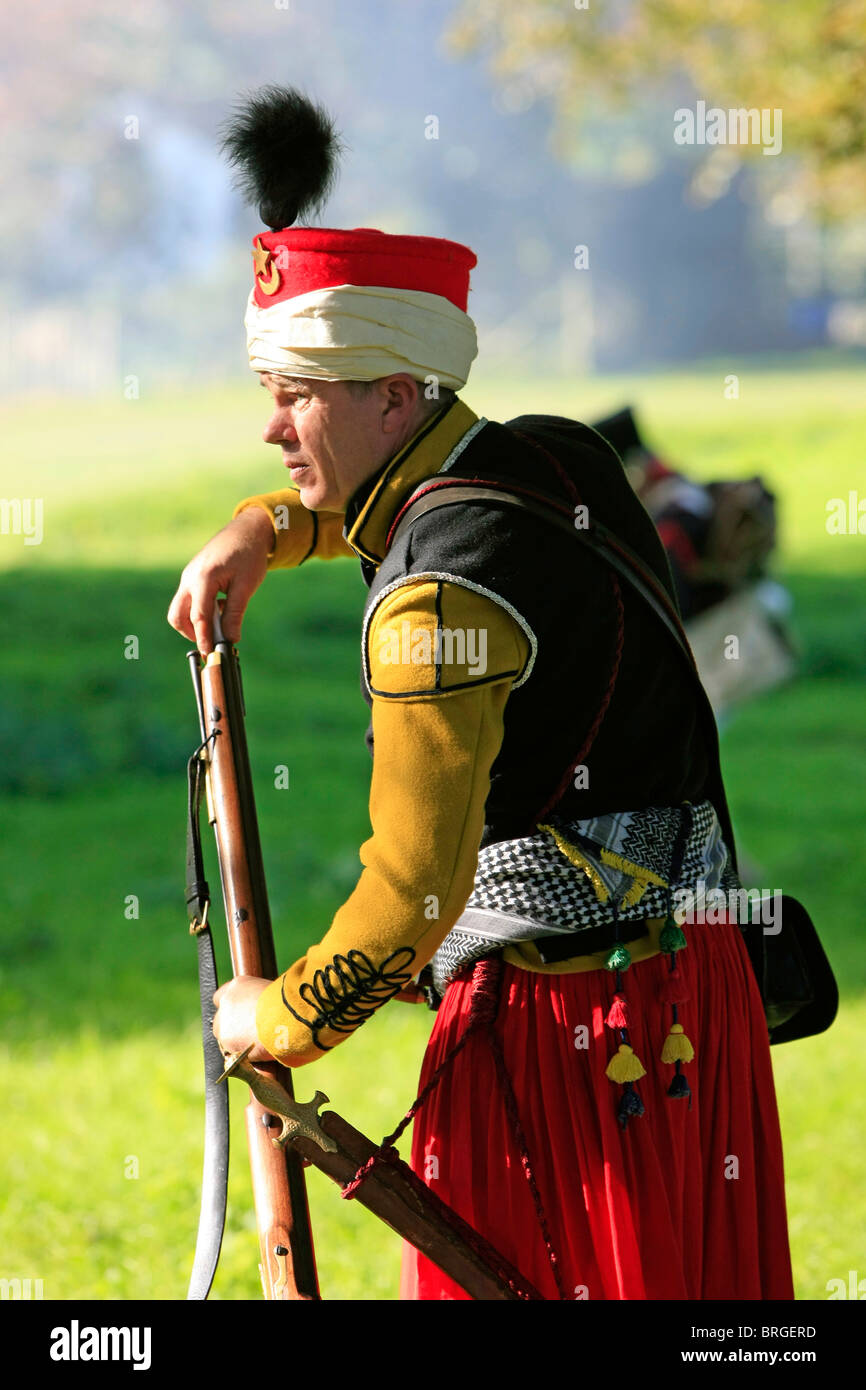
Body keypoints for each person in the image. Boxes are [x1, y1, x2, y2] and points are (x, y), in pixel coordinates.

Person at [168, 87, 795, 1301]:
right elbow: (417, 502)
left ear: (392, 396)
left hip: (572, 1042)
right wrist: (262, 531)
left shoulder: (432, 608)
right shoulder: (559, 453)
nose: (271, 429)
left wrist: (272, 1019)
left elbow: (407, 898)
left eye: (298, 394)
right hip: (688, 996)